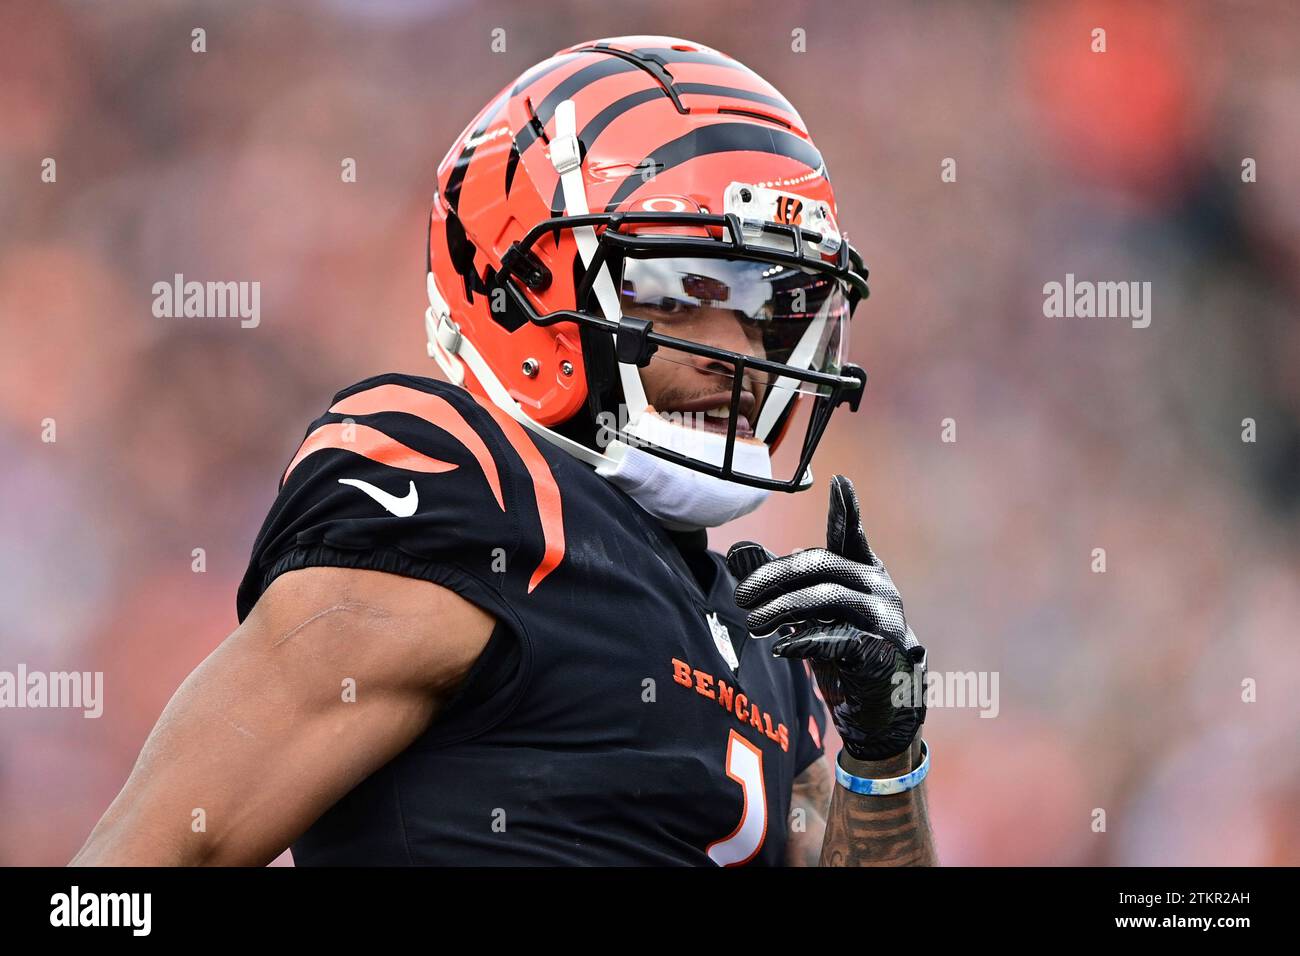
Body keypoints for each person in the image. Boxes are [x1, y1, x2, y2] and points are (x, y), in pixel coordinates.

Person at [73, 35, 935, 866]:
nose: (731, 346)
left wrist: (884, 745)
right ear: (520, 291)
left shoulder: (765, 642)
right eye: (678, 294)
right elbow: (163, 850)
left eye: (769, 308)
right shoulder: (477, 491)